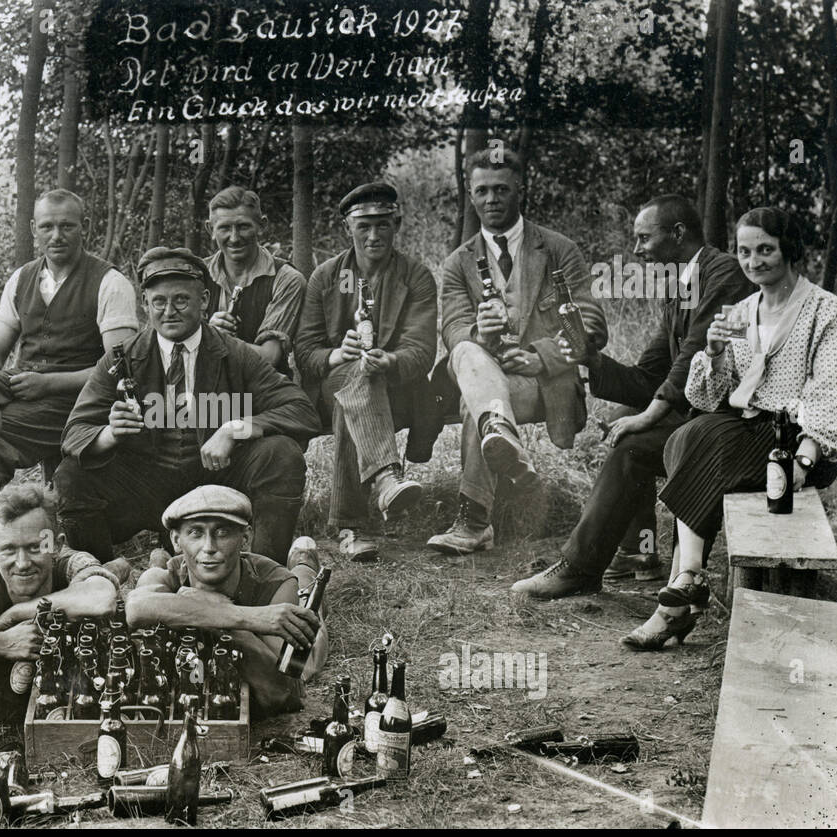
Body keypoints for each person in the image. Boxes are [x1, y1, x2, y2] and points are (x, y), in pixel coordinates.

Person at [623, 207, 837, 650]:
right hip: (745, 430)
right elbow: (705, 398)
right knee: (689, 435)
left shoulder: (828, 313)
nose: (753, 261)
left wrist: (803, 461)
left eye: (765, 249)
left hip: (800, 442)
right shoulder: (742, 311)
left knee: (702, 439)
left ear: (790, 249)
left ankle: (679, 596)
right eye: (744, 252)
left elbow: (832, 395)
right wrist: (715, 353)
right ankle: (685, 583)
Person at [512, 195, 753, 598]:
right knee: (620, 419)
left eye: (644, 238)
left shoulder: (723, 272)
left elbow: (693, 356)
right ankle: (636, 553)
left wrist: (646, 418)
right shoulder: (680, 285)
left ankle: (580, 567)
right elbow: (650, 376)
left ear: (678, 234)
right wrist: (590, 358)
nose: (637, 250)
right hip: (699, 411)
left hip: (729, 424)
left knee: (633, 443)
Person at [0, 189, 138, 579]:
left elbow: (121, 368)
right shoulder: (22, 279)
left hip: (80, 404)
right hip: (25, 393)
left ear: (85, 227)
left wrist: (49, 384)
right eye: (47, 226)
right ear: (34, 230)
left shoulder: (110, 283)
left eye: (67, 226)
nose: (57, 235)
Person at [56, 247, 320, 566]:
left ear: (204, 301)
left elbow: (301, 410)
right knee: (72, 476)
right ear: (145, 305)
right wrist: (110, 434)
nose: (170, 311)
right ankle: (98, 580)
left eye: (181, 299)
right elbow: (74, 433)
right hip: (143, 485)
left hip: (216, 478)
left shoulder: (235, 354)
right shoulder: (122, 358)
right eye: (159, 302)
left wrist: (234, 429)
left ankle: (262, 577)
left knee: (281, 454)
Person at [429, 148, 607, 555]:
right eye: (482, 191)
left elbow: (593, 327)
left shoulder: (559, 250)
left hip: (544, 385)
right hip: (487, 372)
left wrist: (542, 356)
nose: (491, 199)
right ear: (470, 194)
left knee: (478, 406)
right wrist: (482, 334)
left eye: (501, 189)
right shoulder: (459, 263)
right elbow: (453, 330)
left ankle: (474, 522)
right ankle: (499, 433)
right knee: (466, 354)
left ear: (520, 191)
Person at [294, 182, 437, 561]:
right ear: (348, 228)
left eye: (383, 224)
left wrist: (390, 361)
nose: (374, 235)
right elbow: (305, 352)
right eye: (364, 226)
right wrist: (336, 354)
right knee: (353, 381)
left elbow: (422, 351)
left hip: (400, 390)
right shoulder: (325, 277)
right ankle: (387, 478)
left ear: (397, 224)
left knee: (357, 392)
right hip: (335, 383)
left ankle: (350, 527)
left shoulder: (417, 277)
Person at [125, 485, 325, 719]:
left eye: (222, 533)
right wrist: (237, 616)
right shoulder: (162, 577)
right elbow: (136, 608)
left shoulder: (277, 585)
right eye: (196, 533)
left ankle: (305, 561)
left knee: (312, 640)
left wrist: (205, 615)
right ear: (176, 539)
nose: (209, 547)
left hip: (291, 591)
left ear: (246, 538)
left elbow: (283, 690)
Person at [0, 481, 120, 713]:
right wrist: (0, 643)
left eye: (35, 548)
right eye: (8, 550)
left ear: (57, 544)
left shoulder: (70, 563)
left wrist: (14, 614)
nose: (23, 563)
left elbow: (101, 599)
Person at [202, 186, 306, 376]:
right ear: (210, 229)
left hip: (264, 388)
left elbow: (270, 357)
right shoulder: (196, 275)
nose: (234, 238)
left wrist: (213, 339)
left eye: (243, 226)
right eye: (224, 228)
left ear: (261, 225)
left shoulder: (286, 279)